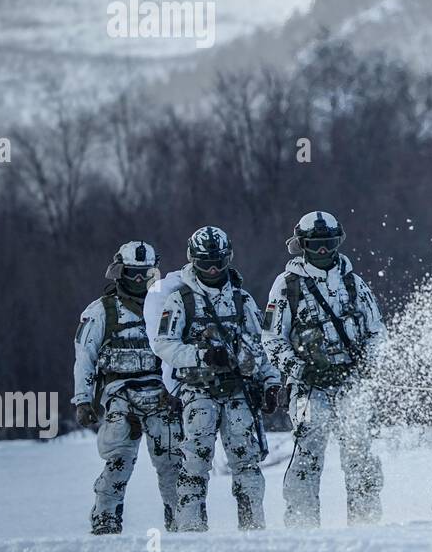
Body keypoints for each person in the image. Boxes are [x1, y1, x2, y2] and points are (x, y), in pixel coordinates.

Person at [151, 226, 280, 531]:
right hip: (198, 393)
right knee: (194, 464)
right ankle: (191, 531)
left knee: (247, 464)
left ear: (227, 258)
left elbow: (261, 345)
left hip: (238, 392)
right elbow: (163, 344)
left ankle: (252, 529)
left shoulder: (241, 299)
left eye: (218, 261)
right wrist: (201, 356)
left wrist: (271, 382)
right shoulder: (181, 300)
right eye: (205, 260)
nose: (212, 267)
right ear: (192, 259)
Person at [261, 211, 386, 527]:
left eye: (327, 243)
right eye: (315, 244)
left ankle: (366, 525)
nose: (322, 251)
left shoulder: (353, 283)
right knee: (307, 457)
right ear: (302, 245)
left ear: (338, 242)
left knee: (360, 456)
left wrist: (369, 366)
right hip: (309, 389)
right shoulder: (287, 286)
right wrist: (297, 368)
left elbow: (376, 332)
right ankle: (303, 528)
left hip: (351, 384)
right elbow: (272, 338)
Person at [72, 241, 182, 535]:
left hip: (161, 393)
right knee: (118, 458)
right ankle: (106, 515)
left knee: (172, 462)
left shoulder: (167, 305)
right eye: (133, 273)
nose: (138, 280)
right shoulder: (101, 311)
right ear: (119, 272)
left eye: (145, 273)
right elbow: (85, 357)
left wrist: (181, 390)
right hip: (119, 393)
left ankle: (181, 520)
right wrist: (83, 400)